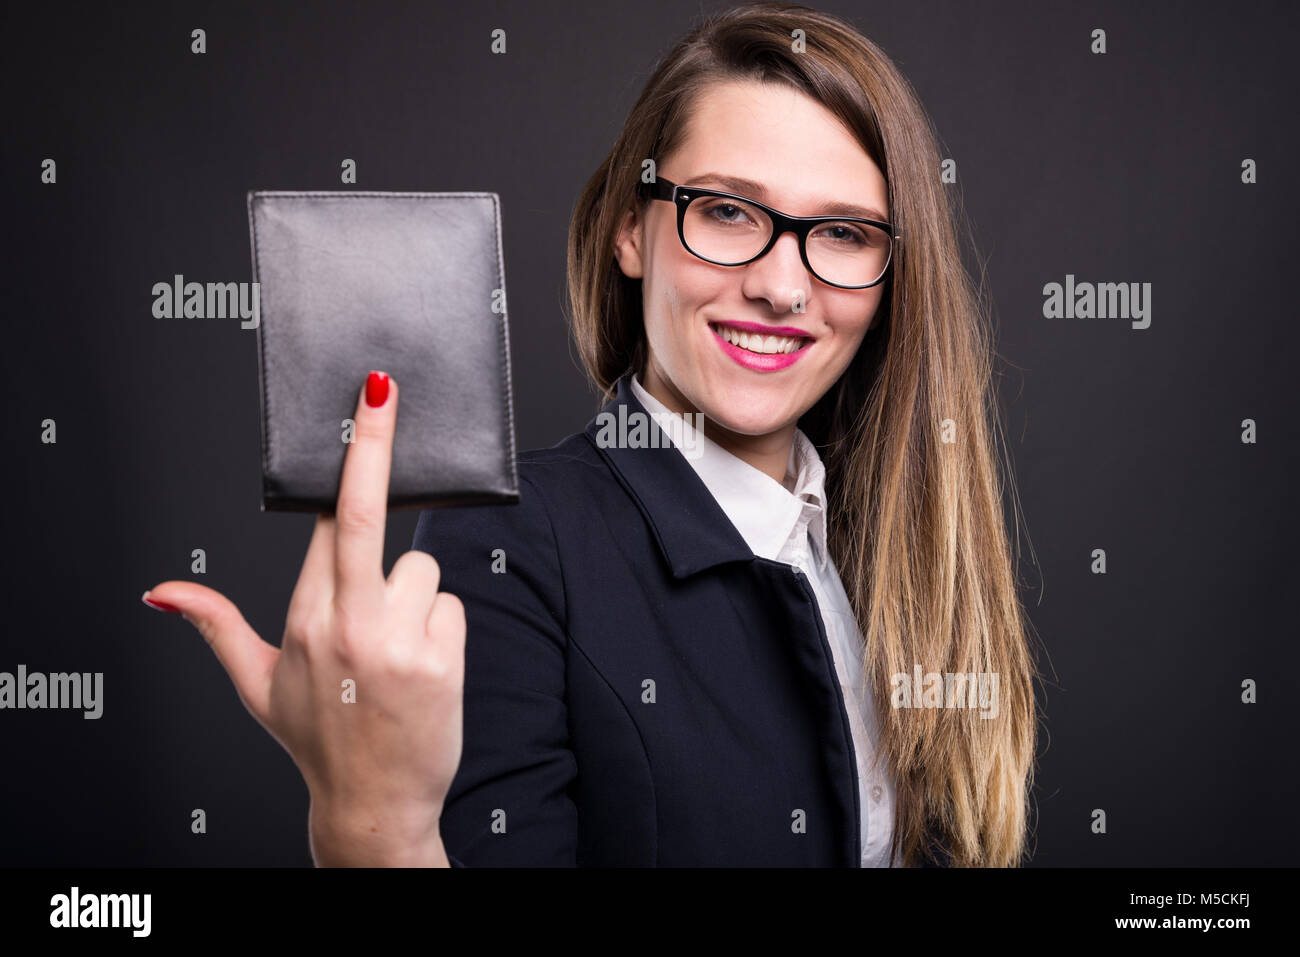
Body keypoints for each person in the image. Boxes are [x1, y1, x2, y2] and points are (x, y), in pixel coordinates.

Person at [142, 2, 1039, 868]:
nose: (782, 285)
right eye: (727, 211)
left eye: (842, 232)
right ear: (630, 230)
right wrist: (373, 825)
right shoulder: (512, 537)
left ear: (891, 278)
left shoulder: (897, 548)